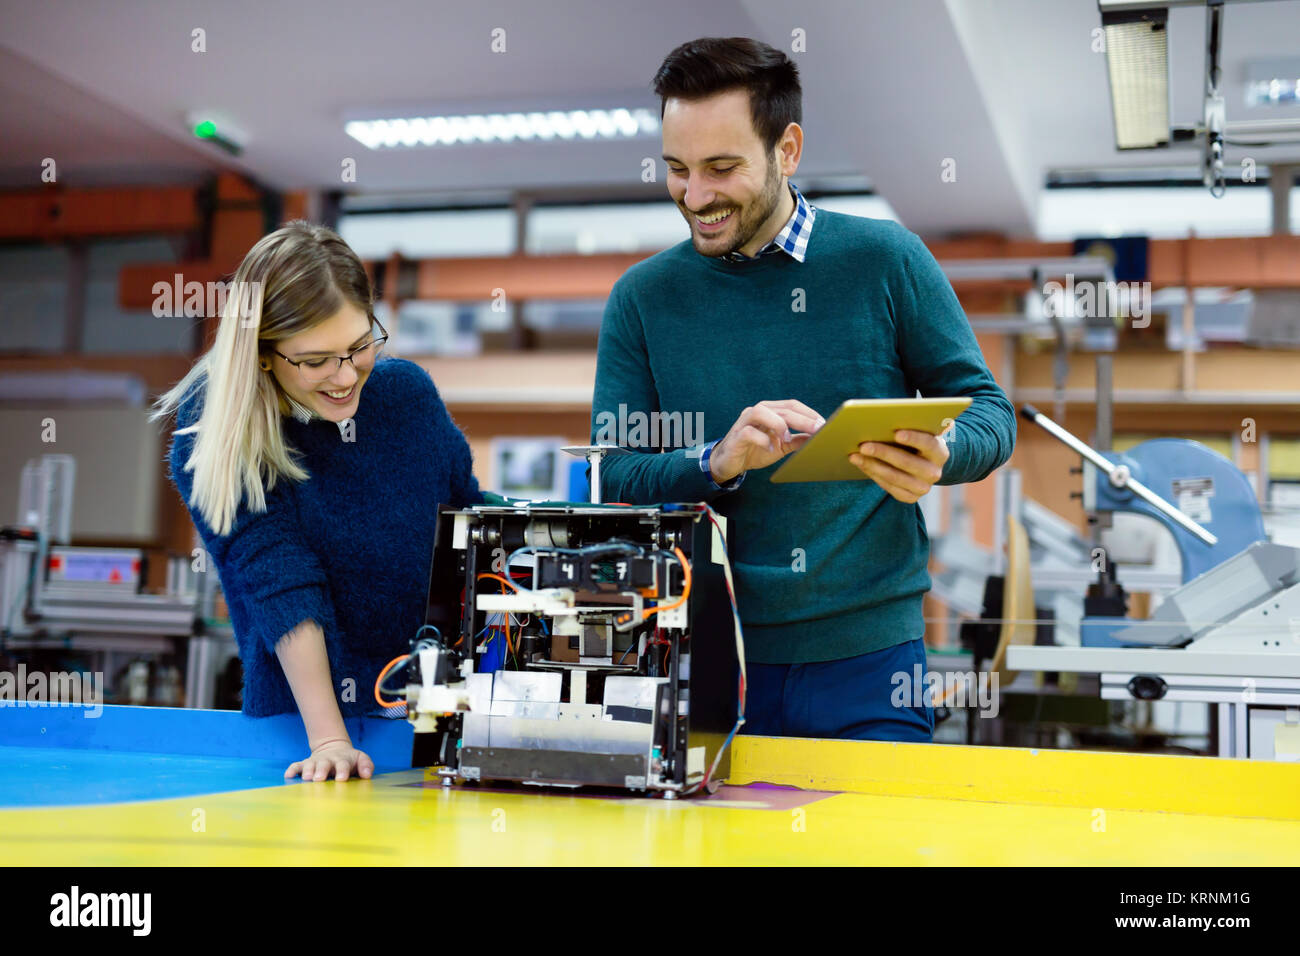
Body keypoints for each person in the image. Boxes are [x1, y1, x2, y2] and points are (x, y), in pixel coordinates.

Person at [590, 37, 1016, 741]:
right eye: (676, 170)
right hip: (704, 660)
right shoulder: (642, 299)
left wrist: (945, 452)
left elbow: (989, 413)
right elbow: (614, 471)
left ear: (787, 151)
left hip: (872, 658)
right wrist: (713, 461)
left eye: (721, 168)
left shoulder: (885, 261)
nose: (695, 197)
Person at [152, 221, 483, 782]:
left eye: (359, 345)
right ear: (262, 353)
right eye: (316, 360)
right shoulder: (217, 424)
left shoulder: (406, 396)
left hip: (431, 716)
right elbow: (280, 580)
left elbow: (470, 525)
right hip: (303, 731)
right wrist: (328, 737)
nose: (345, 375)